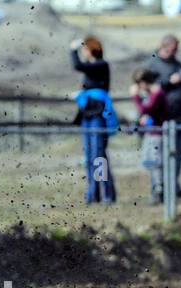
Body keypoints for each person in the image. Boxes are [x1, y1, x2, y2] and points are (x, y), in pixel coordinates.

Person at [142, 34, 181, 199]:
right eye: (172, 49)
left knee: (177, 154)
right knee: (158, 155)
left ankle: (172, 186)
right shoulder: (152, 64)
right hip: (162, 120)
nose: (174, 52)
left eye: (176, 50)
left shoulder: (177, 64)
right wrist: (169, 81)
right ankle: (158, 189)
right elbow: (147, 87)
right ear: (164, 46)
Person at [71, 38, 116, 204]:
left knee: (98, 156)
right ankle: (93, 194)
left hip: (97, 115)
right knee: (90, 156)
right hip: (87, 115)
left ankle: (106, 194)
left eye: (85, 49)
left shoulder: (101, 65)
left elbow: (78, 66)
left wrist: (72, 50)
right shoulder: (93, 68)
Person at [131, 69, 169, 203]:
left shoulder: (157, 93)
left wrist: (135, 97)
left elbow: (145, 109)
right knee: (149, 161)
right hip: (150, 132)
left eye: (139, 84)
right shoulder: (151, 94)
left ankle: (159, 191)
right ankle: (156, 188)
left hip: (157, 134)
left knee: (156, 162)